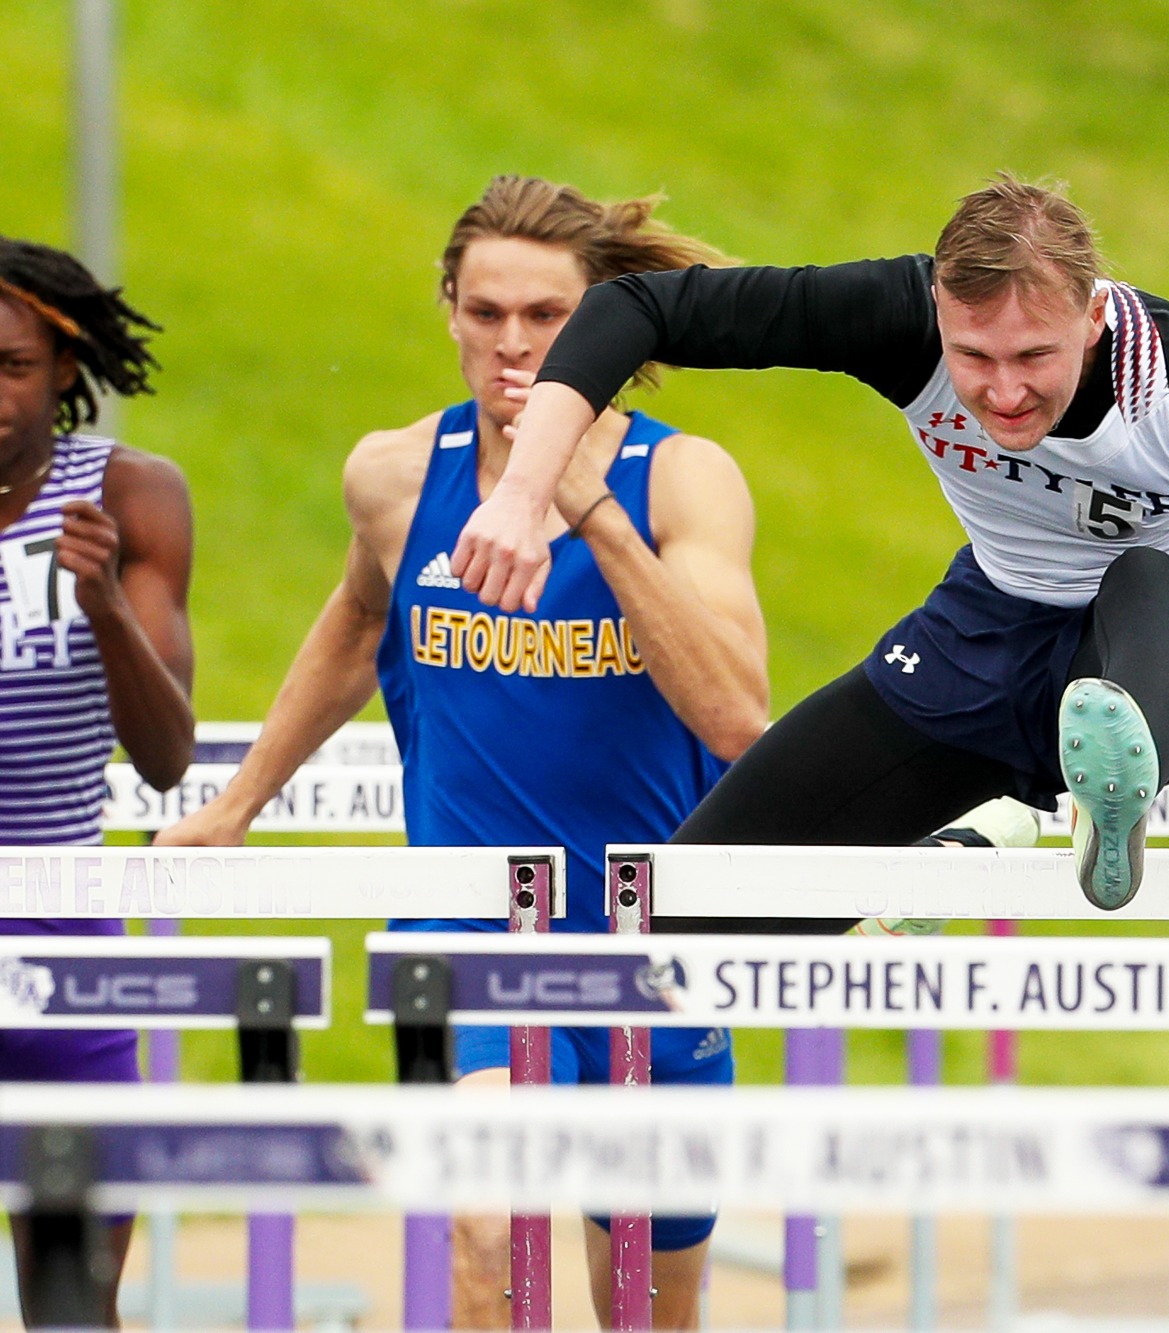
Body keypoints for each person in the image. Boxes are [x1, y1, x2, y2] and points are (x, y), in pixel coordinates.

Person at [453, 176, 1169, 913]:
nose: (1004, 392)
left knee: (1141, 579)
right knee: (693, 898)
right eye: (972, 358)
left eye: (1035, 357)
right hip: (986, 632)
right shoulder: (892, 318)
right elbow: (634, 306)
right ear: (935, 311)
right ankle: (983, 836)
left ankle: (1111, 786)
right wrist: (524, 491)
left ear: (1094, 314)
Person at [155, 177, 766, 1330]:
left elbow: (737, 716)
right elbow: (353, 621)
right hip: (472, 935)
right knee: (491, 1219)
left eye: (548, 317)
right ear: (447, 309)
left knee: (646, 1306)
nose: (514, 346)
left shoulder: (682, 480)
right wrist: (237, 802)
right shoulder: (395, 474)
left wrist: (592, 516)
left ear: (607, 323)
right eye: (486, 313)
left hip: (652, 940)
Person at [0, 237, 195, 1327]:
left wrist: (106, 608)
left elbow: (168, 758)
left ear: (65, 367)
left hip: (60, 950)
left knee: (70, 1306)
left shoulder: (128, 497)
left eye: (12, 365)